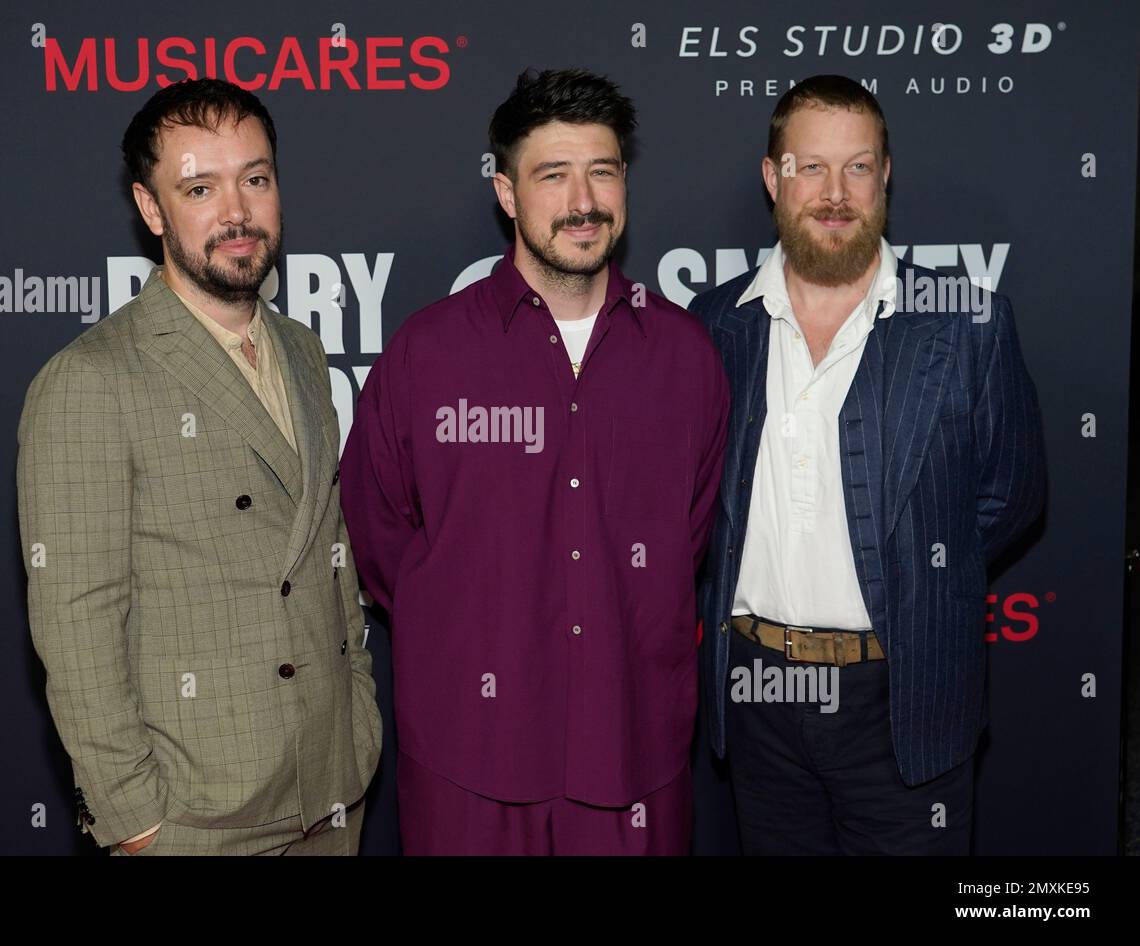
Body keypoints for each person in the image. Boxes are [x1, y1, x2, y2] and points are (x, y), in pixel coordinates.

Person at [340, 68, 729, 855]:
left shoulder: (685, 357)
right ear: (507, 193)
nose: (583, 200)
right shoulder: (428, 353)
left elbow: (689, 538)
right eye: (553, 174)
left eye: (603, 170)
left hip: (633, 756)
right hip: (466, 762)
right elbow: (379, 539)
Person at [17, 78, 381, 855]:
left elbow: (326, 555)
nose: (237, 212)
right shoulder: (91, 379)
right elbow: (76, 620)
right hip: (197, 820)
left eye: (255, 178)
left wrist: (359, 718)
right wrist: (136, 821)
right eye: (199, 187)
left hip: (332, 794)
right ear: (152, 209)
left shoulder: (303, 352)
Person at [689, 74, 1046, 854]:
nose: (834, 191)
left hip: (904, 697)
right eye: (809, 166)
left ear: (885, 176)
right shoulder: (716, 324)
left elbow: (1010, 496)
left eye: (857, 166)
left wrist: (919, 574)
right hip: (759, 696)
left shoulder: (968, 322)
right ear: (771, 177)